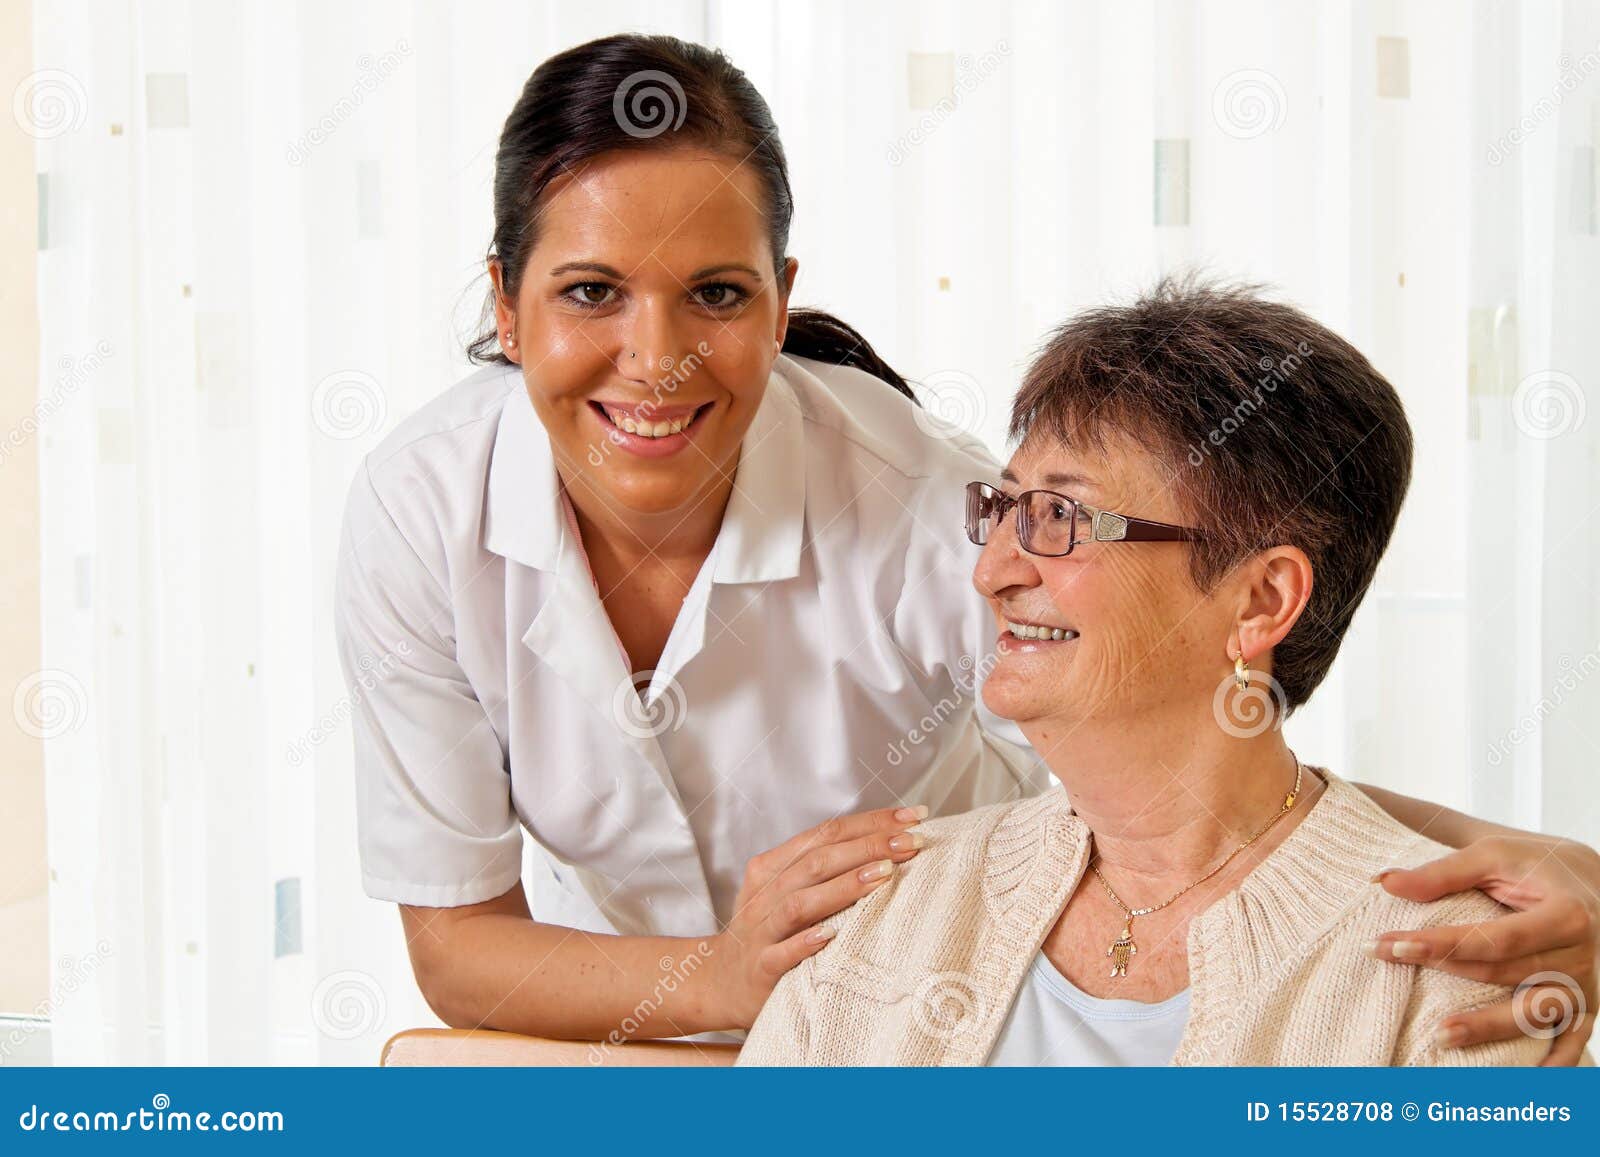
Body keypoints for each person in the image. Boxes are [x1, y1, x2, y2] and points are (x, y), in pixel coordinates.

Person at [335, 34, 1599, 1056]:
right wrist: (725, 973)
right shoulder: (421, 512)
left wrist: (1517, 862)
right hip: (694, 1015)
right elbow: (457, 948)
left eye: (716, 294)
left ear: (780, 299)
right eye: (590, 291)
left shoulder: (928, 506)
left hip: (930, 1008)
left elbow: (1192, 733)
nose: (655, 357)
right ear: (506, 305)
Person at [737, 281, 1588, 1065]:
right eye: (1004, 508)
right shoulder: (881, 909)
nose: (994, 569)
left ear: (1262, 598)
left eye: (1059, 516)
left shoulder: (1463, 965)